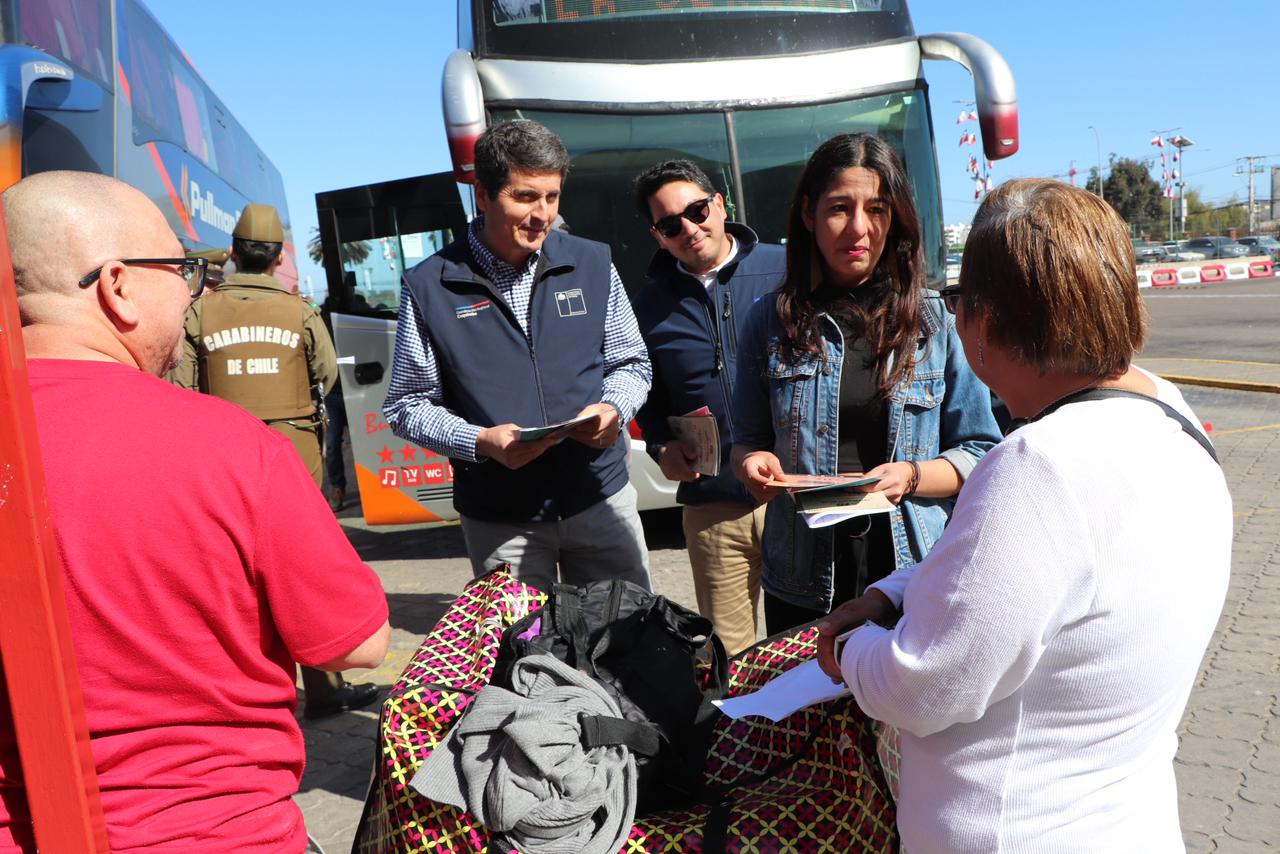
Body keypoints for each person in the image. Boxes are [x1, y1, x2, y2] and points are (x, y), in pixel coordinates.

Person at [816, 178, 1232, 849]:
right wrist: (891, 594)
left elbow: (923, 685)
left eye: (957, 304)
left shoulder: (1043, 465)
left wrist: (845, 649)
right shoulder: (1169, 413)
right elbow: (1016, 585)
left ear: (985, 325)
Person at [2, 171, 391, 851]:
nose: (190, 290)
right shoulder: (234, 448)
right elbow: (359, 643)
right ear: (116, 286)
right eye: (179, 268)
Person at [730, 133, 1001, 634]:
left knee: (904, 714)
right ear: (808, 215)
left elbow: (983, 451)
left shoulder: (934, 322)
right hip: (802, 579)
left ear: (895, 217)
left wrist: (911, 477)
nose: (858, 228)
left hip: (911, 571)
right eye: (839, 208)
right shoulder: (767, 320)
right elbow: (744, 439)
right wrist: (753, 462)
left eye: (876, 208)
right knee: (806, 709)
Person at [383, 120, 653, 592]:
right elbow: (406, 405)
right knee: (525, 657)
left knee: (628, 643)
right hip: (501, 521)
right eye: (525, 197)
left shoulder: (592, 261)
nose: (542, 215)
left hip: (600, 499)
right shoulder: (429, 285)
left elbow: (631, 362)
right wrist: (480, 441)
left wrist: (614, 409)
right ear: (483, 196)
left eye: (552, 197)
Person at [170, 203, 377, 718]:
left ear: (235, 254)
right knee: (303, 569)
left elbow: (181, 385)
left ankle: (244, 696)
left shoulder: (201, 310)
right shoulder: (299, 311)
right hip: (295, 456)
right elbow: (327, 377)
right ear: (278, 256)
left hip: (219, 455)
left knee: (229, 571)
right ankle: (325, 691)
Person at [631, 160, 785, 655]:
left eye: (697, 210)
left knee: (810, 642)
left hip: (795, 492)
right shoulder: (648, 303)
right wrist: (659, 445)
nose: (689, 229)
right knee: (728, 655)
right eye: (671, 224)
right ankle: (743, 733)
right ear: (658, 235)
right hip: (714, 506)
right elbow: (647, 392)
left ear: (719, 205)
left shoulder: (788, 269)